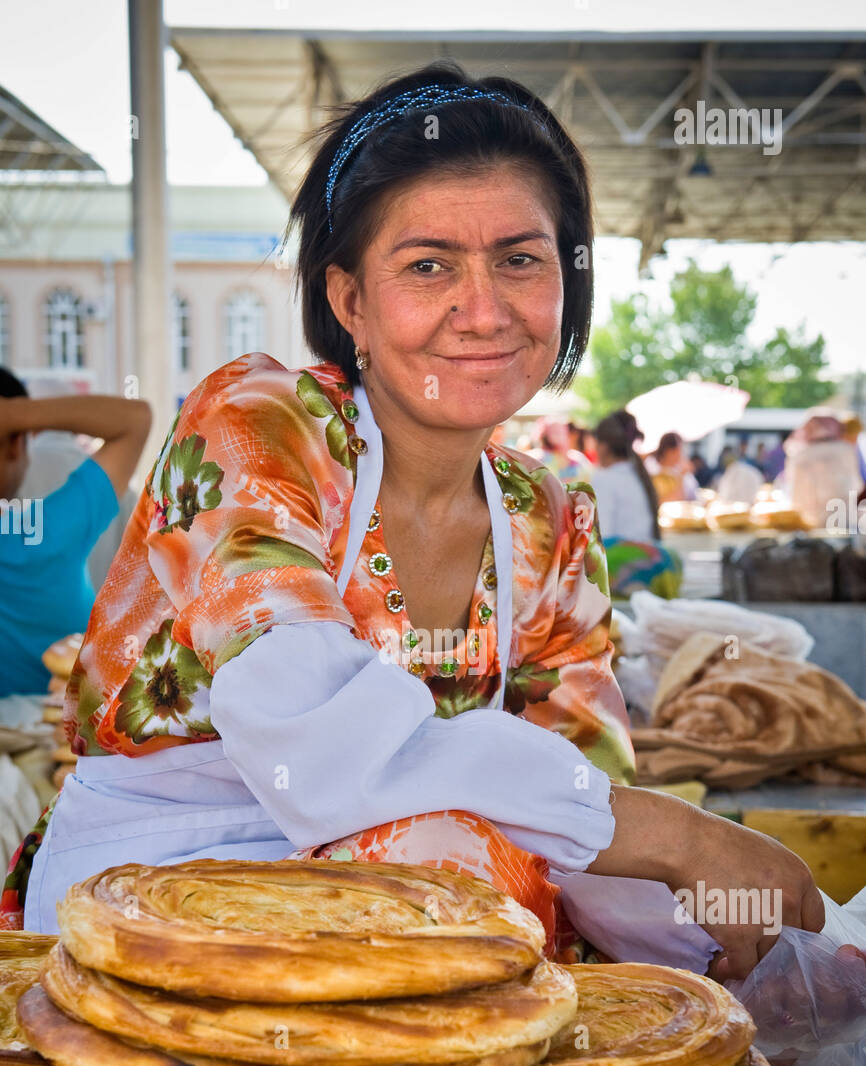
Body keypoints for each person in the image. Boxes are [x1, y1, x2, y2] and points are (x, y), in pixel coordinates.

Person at [4, 63, 824, 980]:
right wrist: (678, 834)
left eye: (521, 259)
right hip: (149, 892)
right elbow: (324, 753)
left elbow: (583, 815)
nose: (483, 311)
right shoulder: (258, 422)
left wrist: (727, 942)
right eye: (428, 265)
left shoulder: (551, 516)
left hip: (420, 907)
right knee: (453, 862)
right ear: (348, 299)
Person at [0, 368, 151, 697]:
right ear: (15, 442)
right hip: (63, 726)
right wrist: (13, 413)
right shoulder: (45, 533)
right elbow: (135, 420)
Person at [590, 410, 681, 599]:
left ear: (604, 447)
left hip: (624, 573)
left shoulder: (604, 478)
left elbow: (603, 538)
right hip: (653, 569)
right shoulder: (638, 475)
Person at [782, 414, 862, 528]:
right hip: (844, 519)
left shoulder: (800, 455)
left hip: (811, 522)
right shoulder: (845, 450)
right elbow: (856, 485)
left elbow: (794, 495)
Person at [647, 431, 699, 503]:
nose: (680, 454)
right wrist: (682, 476)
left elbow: (694, 492)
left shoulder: (679, 467)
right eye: (678, 450)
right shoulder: (653, 469)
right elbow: (663, 501)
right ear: (668, 451)